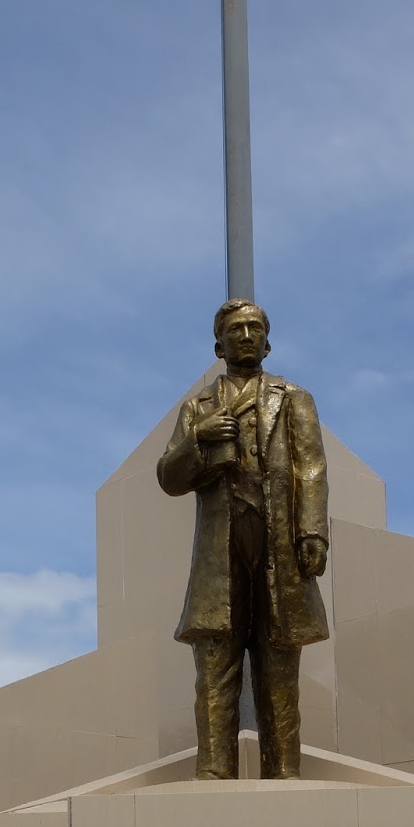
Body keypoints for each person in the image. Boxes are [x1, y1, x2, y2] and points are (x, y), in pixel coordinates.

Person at [157, 299, 330, 779]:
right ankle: (214, 771)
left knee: (279, 665)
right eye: (236, 329)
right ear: (219, 344)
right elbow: (169, 476)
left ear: (268, 340)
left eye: (256, 327)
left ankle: (284, 772)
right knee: (215, 665)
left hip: (279, 548)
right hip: (221, 553)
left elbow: (311, 468)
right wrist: (201, 439)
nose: (247, 334)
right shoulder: (198, 409)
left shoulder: (293, 398)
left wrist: (312, 529)